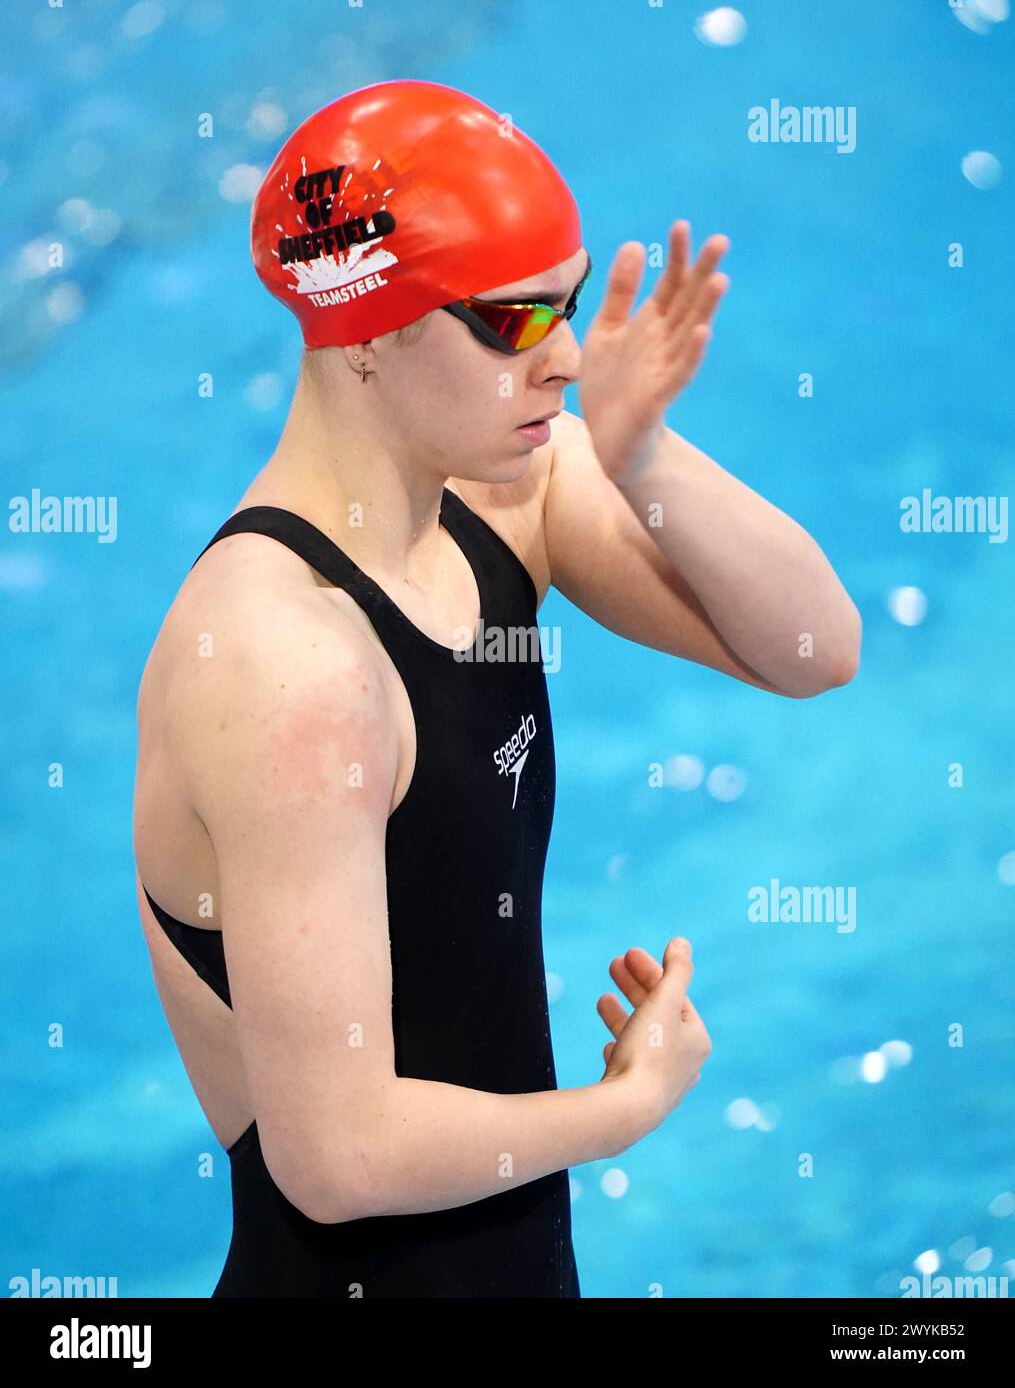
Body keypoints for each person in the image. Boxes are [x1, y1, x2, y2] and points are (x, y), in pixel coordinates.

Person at [133, 79, 860, 1298]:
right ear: (371, 332)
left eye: (566, 310)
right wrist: (622, 1109)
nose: (565, 359)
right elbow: (339, 1155)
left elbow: (811, 650)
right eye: (513, 323)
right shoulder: (287, 664)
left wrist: (641, 455)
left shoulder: (501, 493)